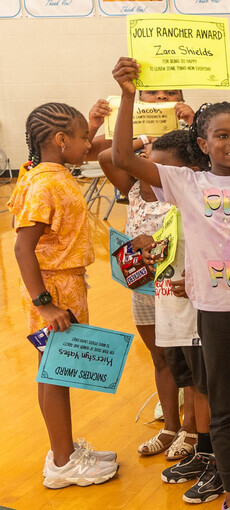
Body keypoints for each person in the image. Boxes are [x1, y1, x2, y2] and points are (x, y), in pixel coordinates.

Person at [111, 10, 230, 510]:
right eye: (222, 135)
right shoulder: (185, 183)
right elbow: (122, 159)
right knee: (224, 405)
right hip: (215, 311)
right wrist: (129, 95)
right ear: (202, 144)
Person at [14, 102, 119, 489]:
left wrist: (90, 125)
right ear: (60, 140)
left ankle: (65, 450)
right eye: (80, 138)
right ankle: (62, 462)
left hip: (63, 283)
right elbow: (23, 247)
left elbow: (84, 148)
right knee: (55, 375)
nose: (87, 144)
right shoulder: (47, 182)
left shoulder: (43, 171)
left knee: (51, 372)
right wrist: (46, 304)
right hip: (53, 288)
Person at [130, 129, 222, 504]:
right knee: (194, 388)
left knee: (208, 389)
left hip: (199, 315)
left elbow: (222, 254)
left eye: (165, 170)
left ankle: (219, 463)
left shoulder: (206, 207)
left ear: (194, 170)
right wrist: (150, 249)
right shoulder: (172, 210)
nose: (158, 178)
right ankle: (203, 453)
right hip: (172, 314)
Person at [98, 135, 195, 460]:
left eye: (160, 161)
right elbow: (104, 156)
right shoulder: (134, 189)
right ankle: (170, 426)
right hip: (142, 288)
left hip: (177, 286)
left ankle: (191, 429)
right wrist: (141, 136)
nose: (150, 163)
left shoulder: (182, 190)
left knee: (190, 362)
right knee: (161, 358)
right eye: (146, 156)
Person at [86, 88, 195, 161]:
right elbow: (85, 154)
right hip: (128, 195)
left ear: (181, 100)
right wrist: (93, 126)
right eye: (152, 92)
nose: (161, 96)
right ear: (140, 99)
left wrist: (194, 122)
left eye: (171, 93)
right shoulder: (125, 133)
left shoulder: (188, 132)